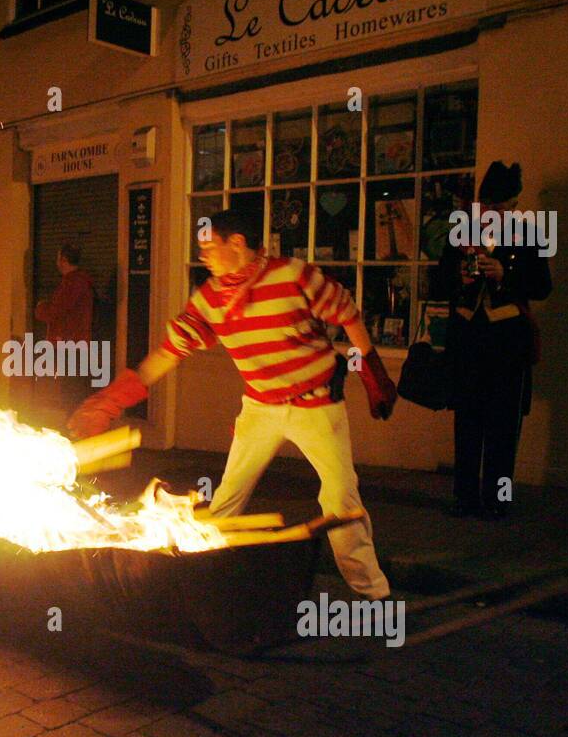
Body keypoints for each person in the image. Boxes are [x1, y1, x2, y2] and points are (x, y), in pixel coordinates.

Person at [69, 209, 397, 600]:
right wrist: (111, 401)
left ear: (237, 243)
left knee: (340, 496)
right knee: (228, 497)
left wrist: (371, 368)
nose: (203, 256)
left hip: (316, 404)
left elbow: (346, 312)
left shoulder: (295, 275)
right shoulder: (209, 299)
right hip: (259, 409)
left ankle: (372, 592)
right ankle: (199, 578)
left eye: (209, 247)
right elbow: (169, 352)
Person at [439, 161, 552, 519]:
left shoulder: (530, 235)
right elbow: (438, 285)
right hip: (469, 343)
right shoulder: (460, 234)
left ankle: (498, 500)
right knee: (468, 423)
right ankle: (465, 497)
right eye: (487, 206)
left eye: (501, 207)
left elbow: (542, 287)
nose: (493, 214)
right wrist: (460, 278)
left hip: (507, 345)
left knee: (504, 428)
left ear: (515, 205)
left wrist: (506, 274)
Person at [35, 243, 95, 408]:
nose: (57, 263)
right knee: (72, 385)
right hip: (75, 342)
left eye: (58, 258)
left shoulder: (73, 283)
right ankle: (74, 423)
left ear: (63, 260)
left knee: (71, 388)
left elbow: (57, 311)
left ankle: (73, 425)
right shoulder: (78, 282)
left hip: (70, 343)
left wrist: (40, 308)